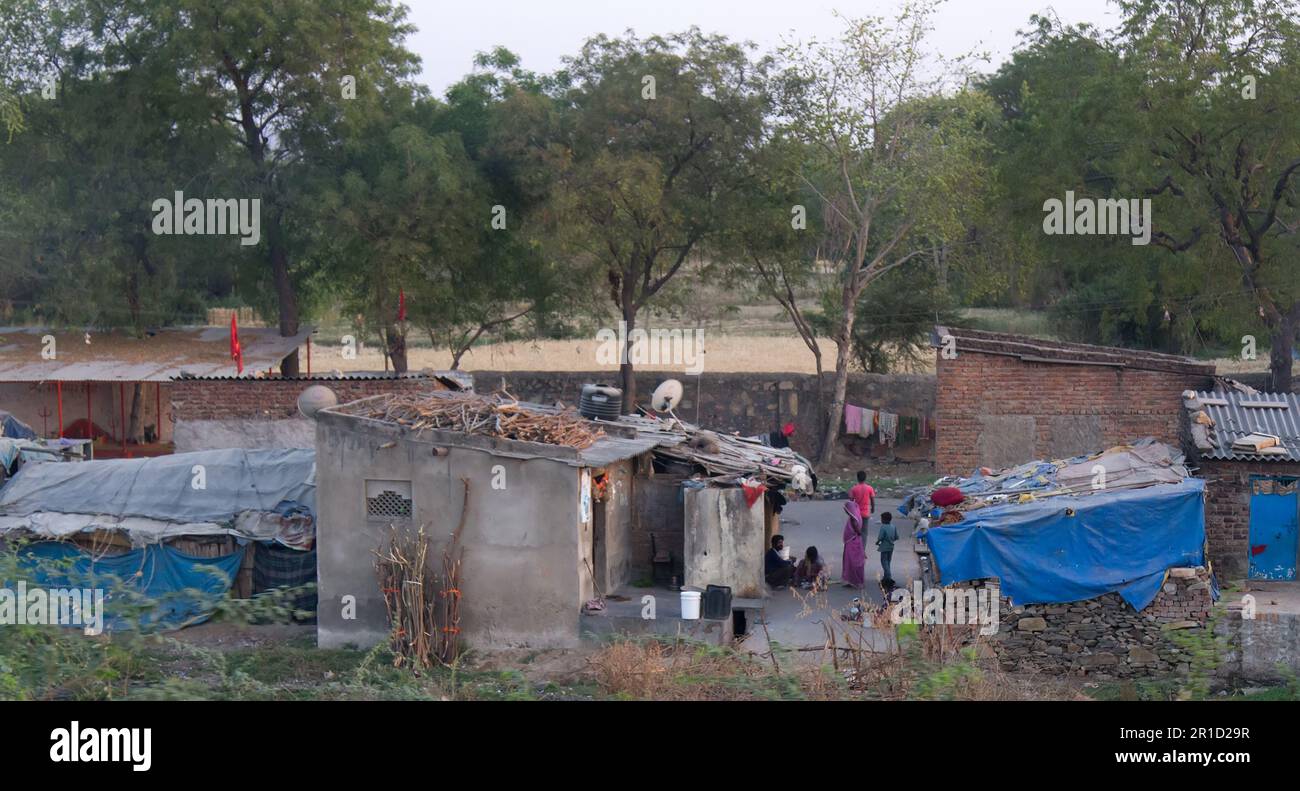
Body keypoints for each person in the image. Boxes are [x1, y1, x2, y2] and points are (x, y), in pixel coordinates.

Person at [841, 501, 866, 588]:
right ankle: (853, 581)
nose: (846, 512)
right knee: (854, 561)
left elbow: (857, 530)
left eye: (847, 510)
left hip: (852, 542)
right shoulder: (857, 516)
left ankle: (853, 580)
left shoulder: (853, 519)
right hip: (856, 541)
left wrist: (857, 535)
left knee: (851, 561)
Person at [876, 511, 899, 584]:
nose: (881, 520)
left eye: (882, 519)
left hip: (884, 547)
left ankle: (888, 576)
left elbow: (880, 537)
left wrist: (877, 542)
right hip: (891, 546)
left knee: (884, 561)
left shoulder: (883, 527)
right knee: (888, 561)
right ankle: (885, 577)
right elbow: (896, 537)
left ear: (884, 520)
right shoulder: (893, 527)